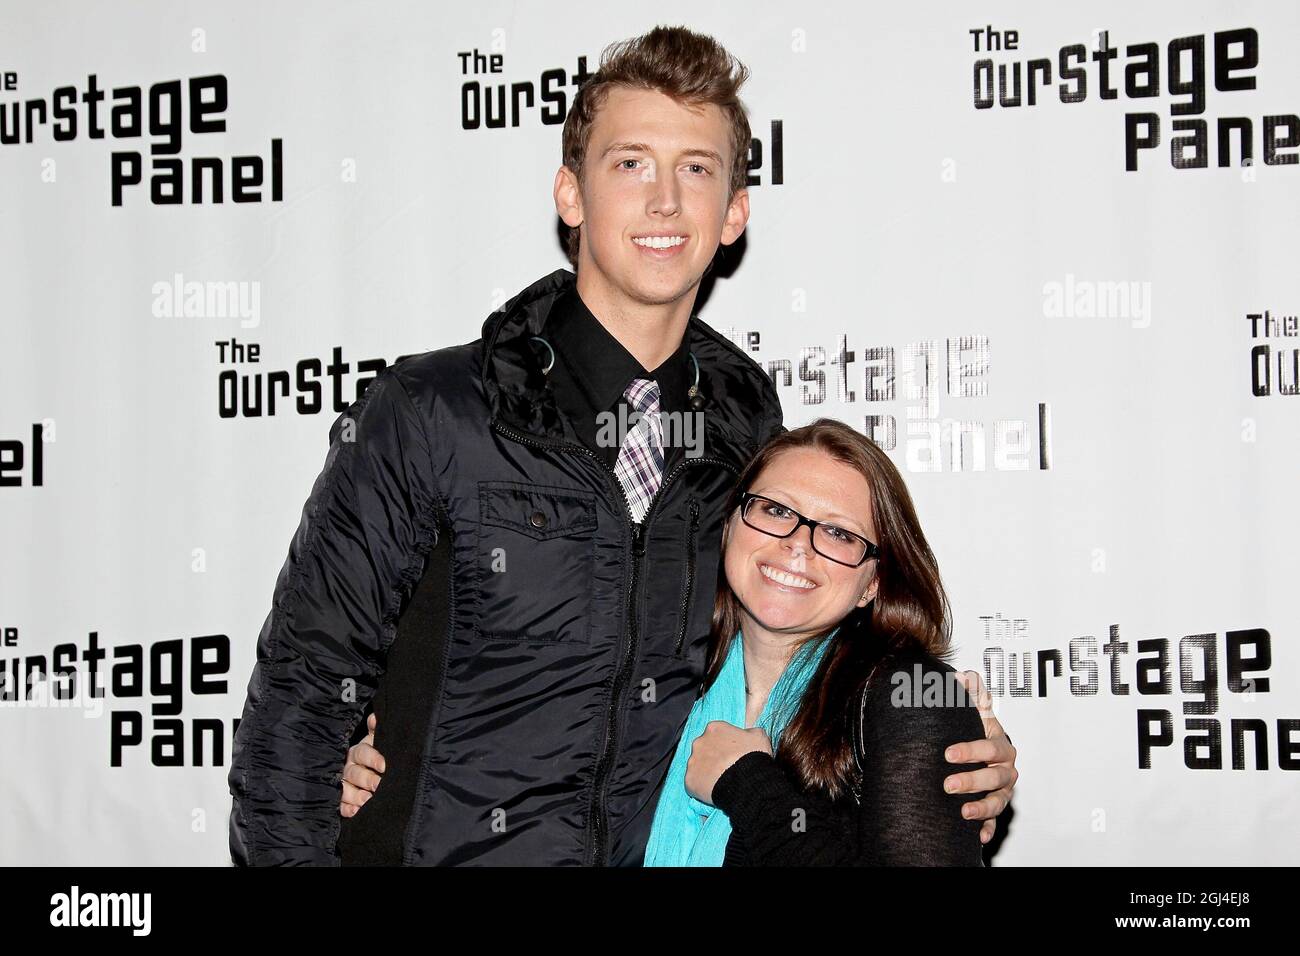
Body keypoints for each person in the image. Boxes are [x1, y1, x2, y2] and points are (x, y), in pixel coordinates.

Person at [230, 25, 1018, 867]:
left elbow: (802, 673)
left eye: (697, 170)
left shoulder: (748, 435)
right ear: (571, 194)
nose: (665, 201)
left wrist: (933, 750)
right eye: (631, 162)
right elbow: (304, 691)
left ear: (734, 213)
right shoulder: (430, 412)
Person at [343, 419, 1003, 865]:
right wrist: (379, 785)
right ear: (730, 529)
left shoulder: (910, 700)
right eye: (775, 511)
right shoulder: (661, 685)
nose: (797, 545)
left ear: (870, 583)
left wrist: (748, 785)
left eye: (837, 533)